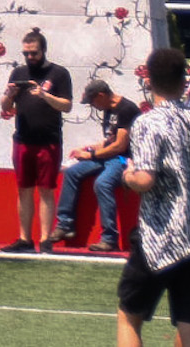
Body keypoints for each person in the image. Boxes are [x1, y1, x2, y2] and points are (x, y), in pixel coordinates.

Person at [117, 46, 190, 347]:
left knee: (129, 317)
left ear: (149, 80)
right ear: (184, 82)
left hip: (159, 234)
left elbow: (146, 179)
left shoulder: (147, 123)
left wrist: (127, 176)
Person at [0, 27, 73, 254]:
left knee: (46, 190)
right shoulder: (19, 73)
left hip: (49, 141)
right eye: (26, 54)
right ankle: (24, 238)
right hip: (23, 139)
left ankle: (45, 239)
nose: (30, 57)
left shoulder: (59, 74)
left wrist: (44, 95)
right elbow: (5, 107)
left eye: (34, 53)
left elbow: (67, 106)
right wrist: (9, 95)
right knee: (24, 189)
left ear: (43, 51)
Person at [54, 78, 141, 251]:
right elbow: (109, 141)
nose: (93, 106)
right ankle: (65, 224)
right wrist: (87, 149)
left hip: (124, 159)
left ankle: (109, 238)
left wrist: (90, 154)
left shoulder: (126, 109)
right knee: (72, 173)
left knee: (102, 183)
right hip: (109, 156)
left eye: (93, 102)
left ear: (101, 96)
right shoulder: (108, 110)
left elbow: (120, 146)